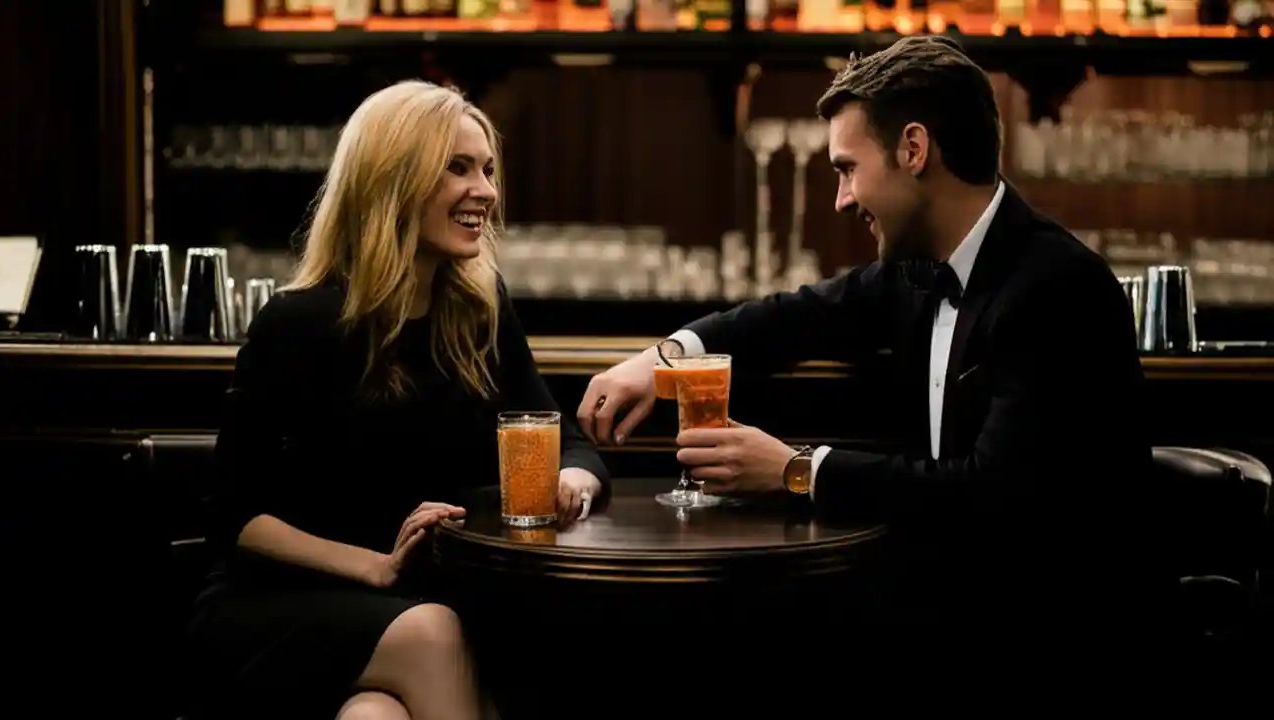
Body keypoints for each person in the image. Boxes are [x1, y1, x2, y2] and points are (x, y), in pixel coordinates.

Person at [579, 36, 1164, 658]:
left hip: (1054, 630)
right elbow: (793, 318)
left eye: (847, 169)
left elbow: (991, 497)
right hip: (950, 605)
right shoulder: (915, 268)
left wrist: (795, 469)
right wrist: (662, 359)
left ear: (914, 149)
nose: (842, 199)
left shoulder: (1056, 288)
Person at [184, 80, 609, 720]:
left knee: (374, 717)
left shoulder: (478, 311)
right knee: (436, 634)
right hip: (286, 605)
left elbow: (563, 438)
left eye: (488, 170)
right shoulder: (299, 321)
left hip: (423, 607)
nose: (487, 193)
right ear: (392, 181)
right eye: (457, 168)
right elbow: (237, 517)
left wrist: (570, 479)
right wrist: (376, 567)